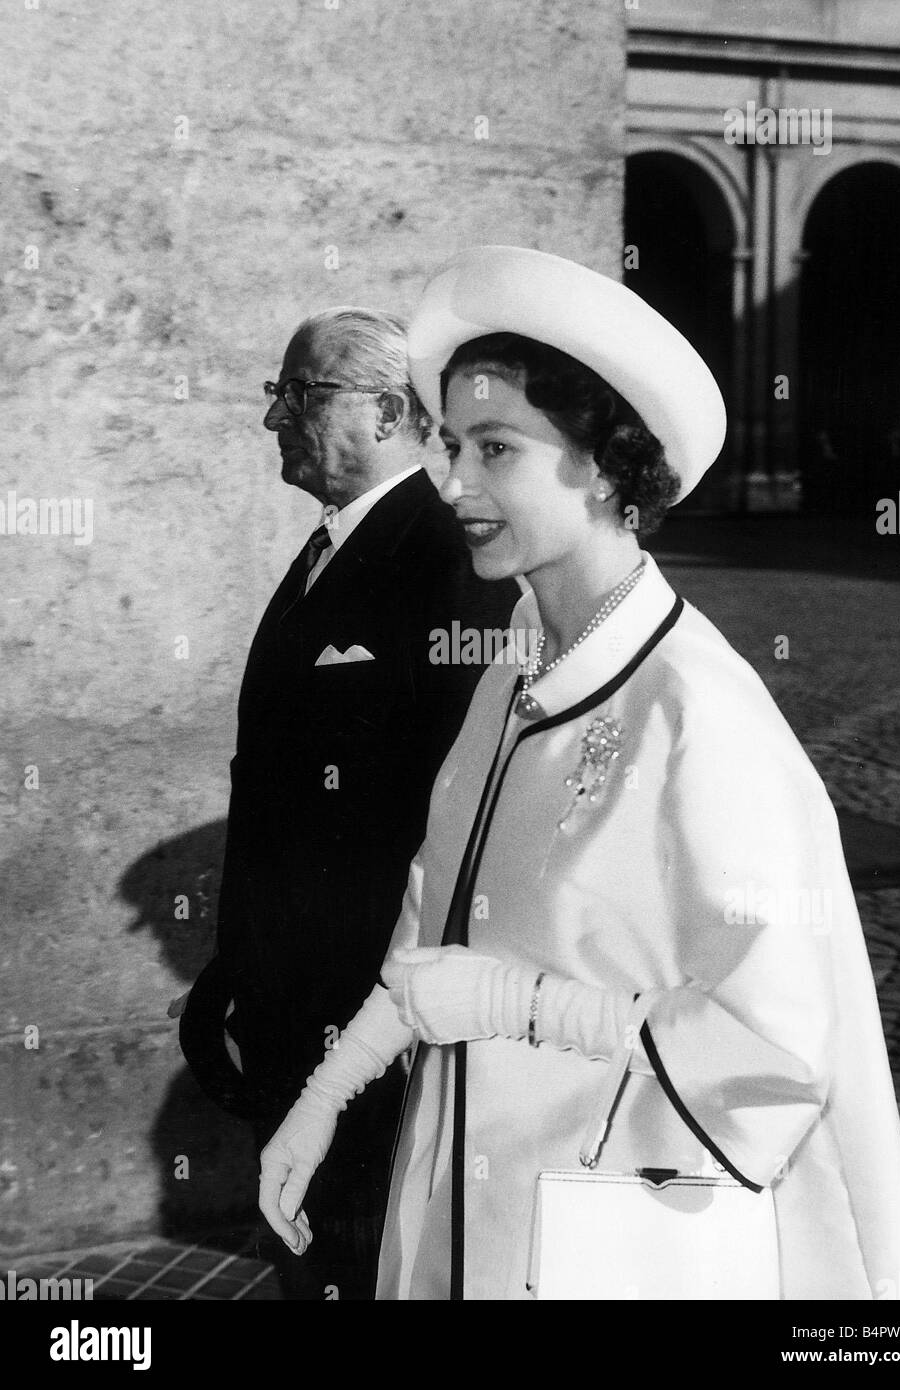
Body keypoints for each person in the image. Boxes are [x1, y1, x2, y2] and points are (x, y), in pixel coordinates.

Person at [258, 249, 900, 1301]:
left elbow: (778, 1047)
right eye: (448, 446)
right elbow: (431, 927)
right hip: (468, 1208)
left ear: (607, 467)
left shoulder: (699, 713)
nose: (451, 483)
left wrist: (525, 1003)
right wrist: (327, 1092)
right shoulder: (516, 666)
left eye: (496, 450)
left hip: (628, 1236)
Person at [193, 306, 519, 1299]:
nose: (274, 420)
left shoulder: (444, 554)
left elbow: (453, 818)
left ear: (385, 411)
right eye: (276, 395)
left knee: (363, 1261)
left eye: (298, 395)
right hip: (293, 1011)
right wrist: (236, 975)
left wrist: (366, 1023)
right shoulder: (329, 549)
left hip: (371, 1023)